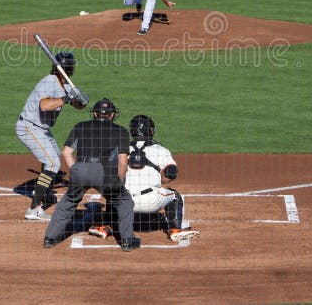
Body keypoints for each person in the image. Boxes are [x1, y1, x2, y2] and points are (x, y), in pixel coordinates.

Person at [43, 98, 141, 251]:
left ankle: (50, 238)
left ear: (95, 114)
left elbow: (66, 152)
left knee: (68, 201)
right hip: (105, 171)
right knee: (124, 201)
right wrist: (119, 182)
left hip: (81, 169)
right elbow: (123, 162)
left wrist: (76, 169)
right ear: (113, 114)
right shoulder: (120, 131)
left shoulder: (80, 127)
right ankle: (127, 240)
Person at [89, 114, 200, 243]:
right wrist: (161, 179)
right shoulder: (161, 150)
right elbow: (171, 172)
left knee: (114, 191)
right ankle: (174, 229)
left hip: (125, 202)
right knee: (175, 195)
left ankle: (106, 227)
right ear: (151, 131)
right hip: (152, 201)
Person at [15, 51, 88, 221]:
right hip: (29, 127)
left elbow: (78, 105)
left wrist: (81, 100)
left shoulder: (66, 84)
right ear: (70, 68)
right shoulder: (49, 82)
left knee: (53, 158)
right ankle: (33, 209)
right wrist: (66, 99)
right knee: (53, 163)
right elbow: (45, 105)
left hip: (41, 128)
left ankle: (44, 192)